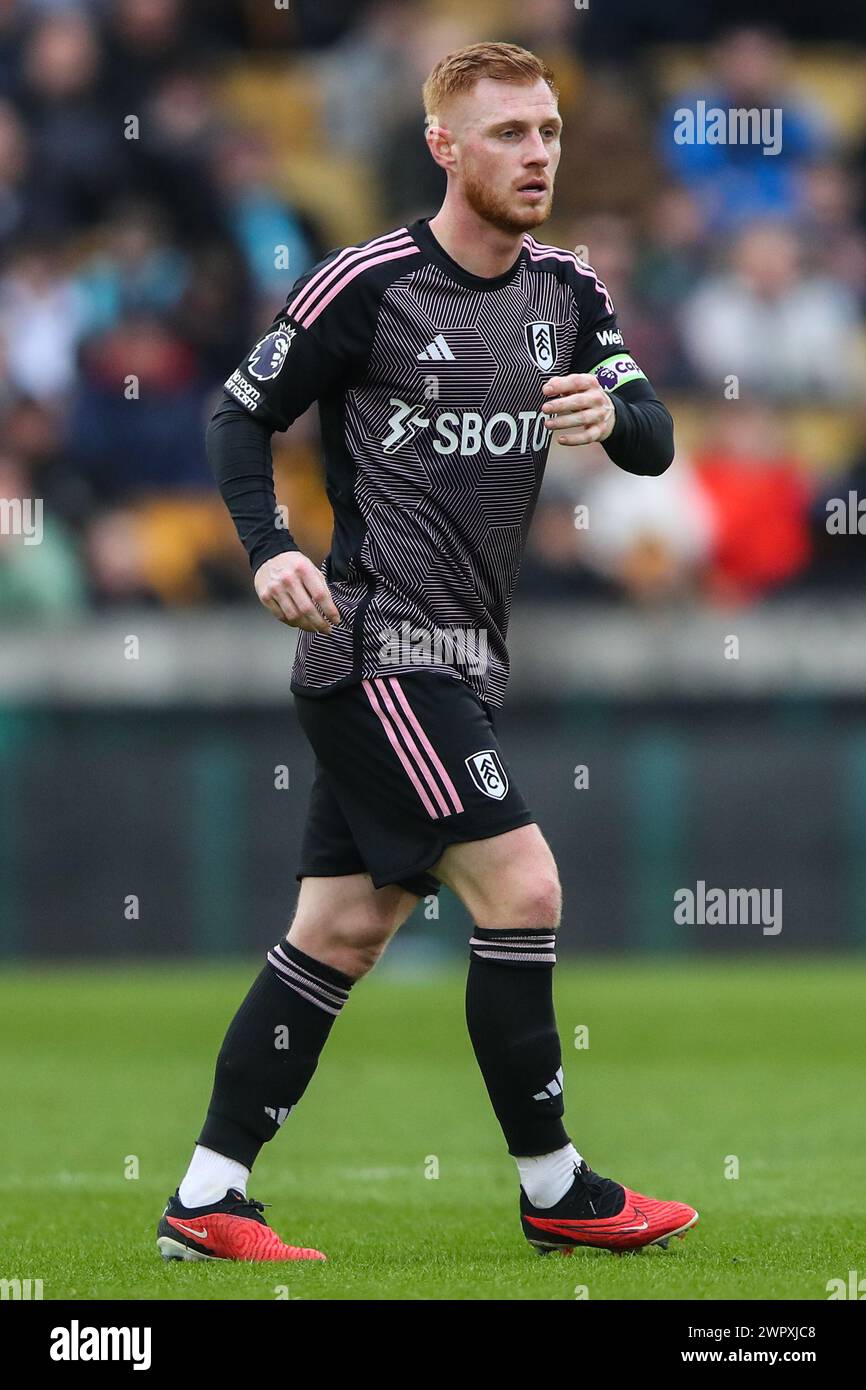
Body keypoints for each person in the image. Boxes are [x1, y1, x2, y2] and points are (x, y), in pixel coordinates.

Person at [157, 41, 697, 1263]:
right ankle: (556, 1187)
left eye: (548, 130)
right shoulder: (369, 283)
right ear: (443, 147)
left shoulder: (567, 289)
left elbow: (656, 441)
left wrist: (614, 414)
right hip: (377, 648)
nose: (537, 153)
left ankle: (204, 1194)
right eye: (508, 132)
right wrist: (264, 548)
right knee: (525, 889)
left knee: (341, 931)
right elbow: (240, 410)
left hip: (464, 657)